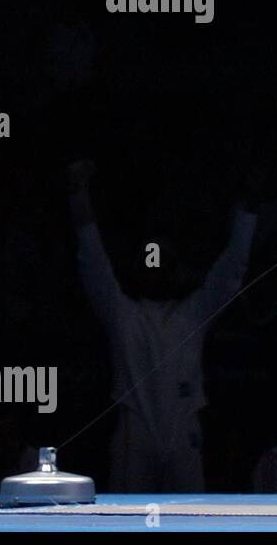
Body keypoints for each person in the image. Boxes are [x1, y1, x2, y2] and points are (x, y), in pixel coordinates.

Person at [66, 159, 258, 492]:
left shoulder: (193, 313)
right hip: (134, 430)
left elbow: (230, 271)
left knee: (187, 516)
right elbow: (92, 259)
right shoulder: (122, 313)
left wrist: (249, 207)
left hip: (183, 428)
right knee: (129, 518)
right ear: (138, 270)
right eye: (149, 262)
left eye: (163, 263)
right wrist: (78, 193)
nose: (156, 270)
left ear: (175, 269)